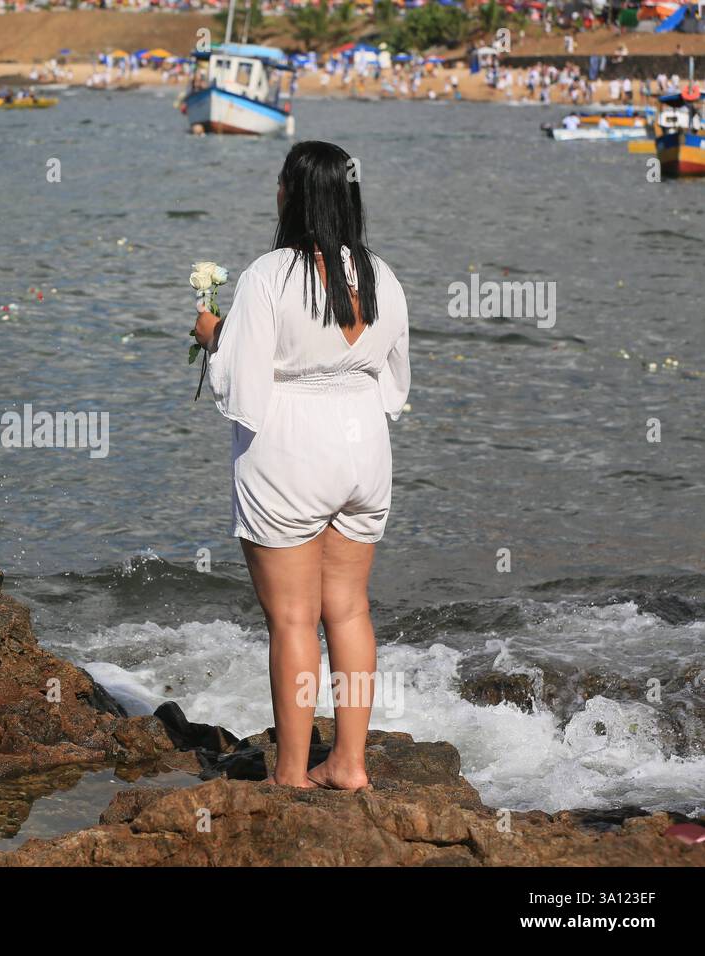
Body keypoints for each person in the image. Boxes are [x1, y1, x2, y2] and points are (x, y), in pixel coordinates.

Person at [191, 141, 410, 791]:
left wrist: (210, 334)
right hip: (364, 451)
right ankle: (348, 763)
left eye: (280, 183)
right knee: (348, 611)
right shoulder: (382, 275)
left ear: (294, 194)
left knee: (292, 619)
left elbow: (235, 379)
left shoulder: (269, 275)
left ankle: (290, 774)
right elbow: (394, 382)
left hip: (290, 453)